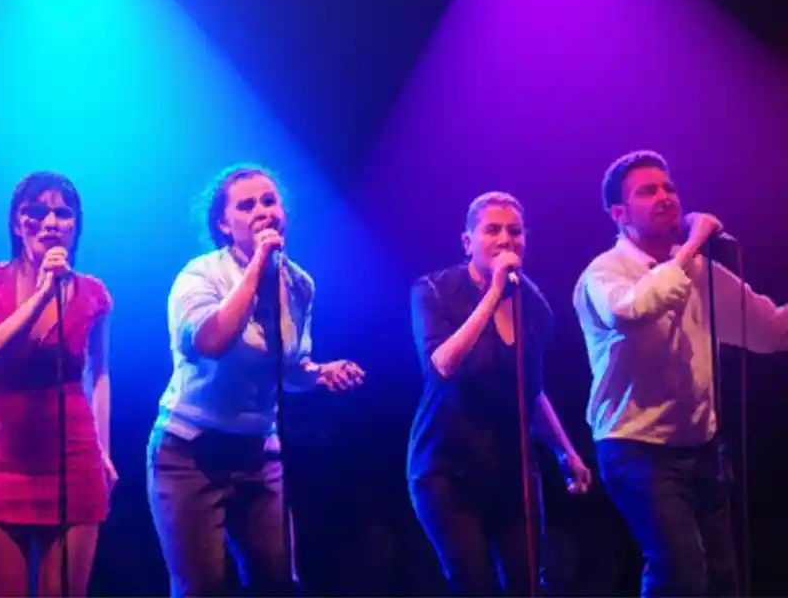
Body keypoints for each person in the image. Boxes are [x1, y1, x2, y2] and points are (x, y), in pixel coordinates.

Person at [573, 150, 788, 597]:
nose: (665, 196)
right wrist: (693, 245)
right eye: (647, 191)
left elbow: (769, 330)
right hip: (636, 447)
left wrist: (691, 257)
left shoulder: (701, 272)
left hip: (702, 447)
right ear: (619, 213)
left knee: (724, 579)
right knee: (680, 574)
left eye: (669, 187)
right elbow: (632, 311)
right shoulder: (603, 272)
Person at [147, 163, 366, 597]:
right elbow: (211, 341)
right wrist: (258, 266)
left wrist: (320, 373)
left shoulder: (299, 285)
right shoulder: (200, 275)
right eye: (246, 206)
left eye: (269, 201)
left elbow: (289, 369)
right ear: (225, 225)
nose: (262, 211)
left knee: (279, 582)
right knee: (202, 587)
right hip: (189, 453)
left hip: (257, 452)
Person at [0, 171, 114, 597]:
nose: (51, 221)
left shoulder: (93, 293)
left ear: (75, 226)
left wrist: (103, 450)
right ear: (17, 223)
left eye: (63, 213)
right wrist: (39, 298)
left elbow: (100, 373)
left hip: (73, 458)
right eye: (37, 211)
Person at [408, 191, 592, 595]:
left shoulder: (535, 305)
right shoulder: (434, 290)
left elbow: (532, 389)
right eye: (492, 230)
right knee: (476, 585)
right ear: (467, 241)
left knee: (528, 584)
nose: (506, 239)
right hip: (446, 470)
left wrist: (566, 451)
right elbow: (443, 365)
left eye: (515, 231)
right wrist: (493, 293)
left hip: (512, 470)